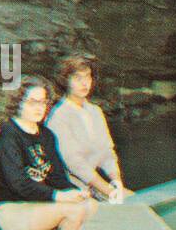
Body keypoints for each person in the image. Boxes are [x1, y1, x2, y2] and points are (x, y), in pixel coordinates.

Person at [0, 76, 90, 230]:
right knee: (73, 211)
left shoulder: (46, 135)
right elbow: (19, 184)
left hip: (40, 203)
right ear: (18, 103)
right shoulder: (7, 135)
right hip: (11, 207)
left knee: (90, 205)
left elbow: (57, 177)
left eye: (43, 102)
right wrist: (57, 196)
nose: (39, 108)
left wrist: (76, 193)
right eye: (32, 102)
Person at [46, 56, 130, 203]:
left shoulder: (95, 111)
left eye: (88, 77)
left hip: (95, 186)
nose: (84, 83)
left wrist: (116, 182)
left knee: (137, 201)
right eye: (77, 78)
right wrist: (109, 191)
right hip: (70, 188)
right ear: (66, 81)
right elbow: (75, 164)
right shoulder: (58, 117)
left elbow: (107, 153)